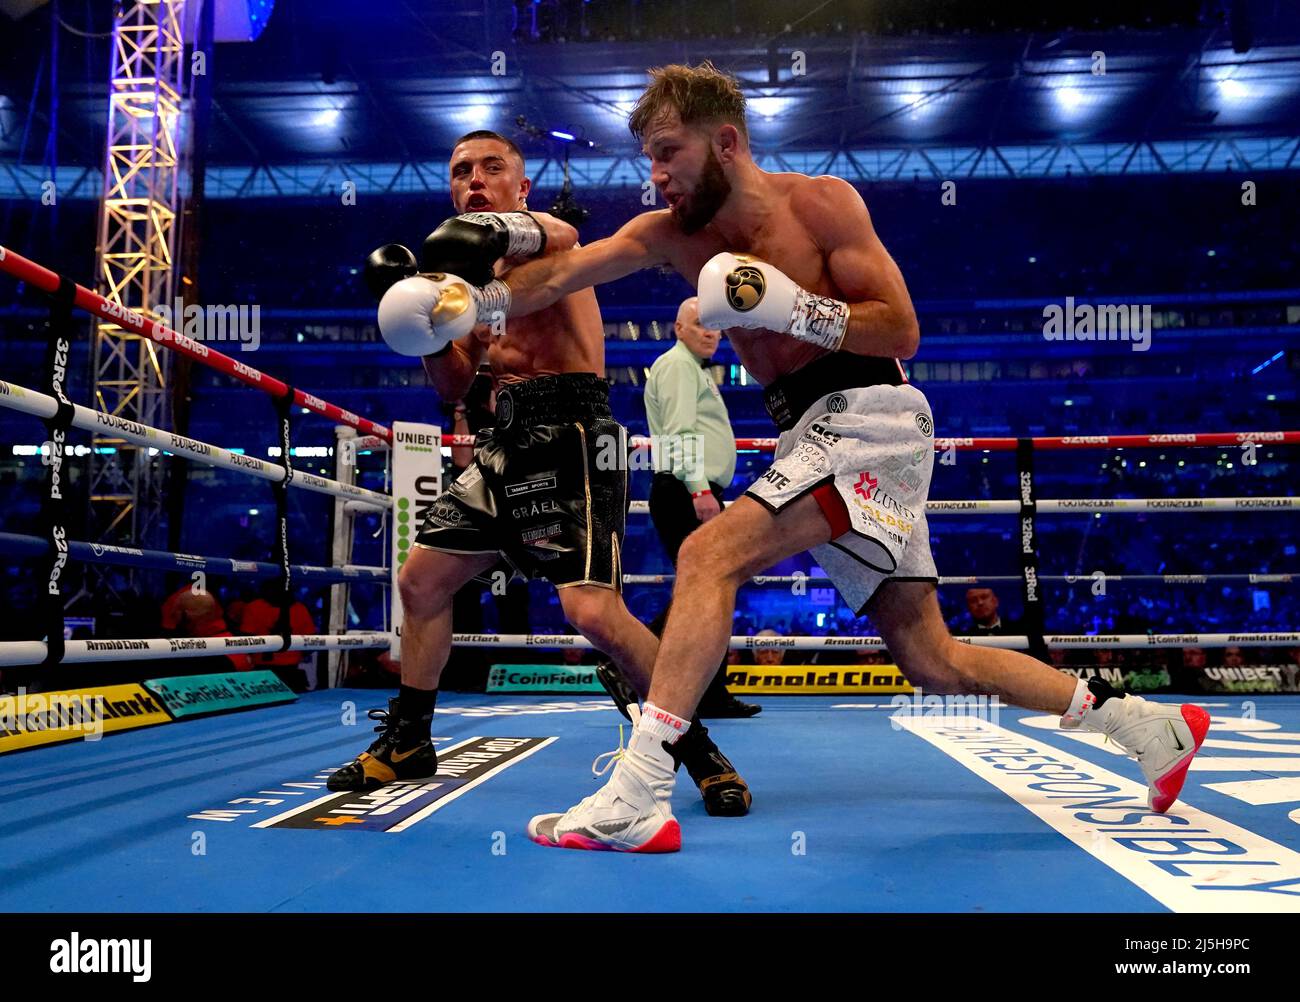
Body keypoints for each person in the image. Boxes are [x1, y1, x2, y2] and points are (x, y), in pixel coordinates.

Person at [404, 63, 1208, 852]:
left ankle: (640, 792)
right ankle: (1149, 726)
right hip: (811, 431)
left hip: (874, 414)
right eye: (647, 156)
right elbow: (569, 269)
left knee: (707, 554)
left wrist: (793, 306)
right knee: (933, 660)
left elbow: (901, 330)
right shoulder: (669, 235)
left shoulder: (821, 203)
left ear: (725, 142)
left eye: (668, 153)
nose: (656, 177)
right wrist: (469, 300)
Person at [333, 130, 750, 817]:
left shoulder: (554, 243)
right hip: (501, 438)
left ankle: (698, 749)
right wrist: (419, 322)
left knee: (592, 613)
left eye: (491, 168)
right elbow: (453, 385)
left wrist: (489, 239)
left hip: (570, 432)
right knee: (421, 579)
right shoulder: (455, 286)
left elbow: (555, 231)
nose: (475, 179)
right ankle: (410, 738)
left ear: (517, 189)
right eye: (461, 170)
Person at [643, 296, 758, 716]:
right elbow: (679, 433)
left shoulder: (694, 369)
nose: (712, 333)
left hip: (694, 490)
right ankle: (632, 658)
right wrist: (698, 491)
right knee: (706, 590)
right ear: (678, 329)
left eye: (715, 326)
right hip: (687, 491)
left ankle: (708, 694)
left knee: (705, 589)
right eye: (700, 325)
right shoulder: (676, 366)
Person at [235, 580, 319, 691]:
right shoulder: (255, 607)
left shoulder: (254, 607)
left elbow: (245, 640)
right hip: (275, 669)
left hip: (280, 669)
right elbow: (246, 639)